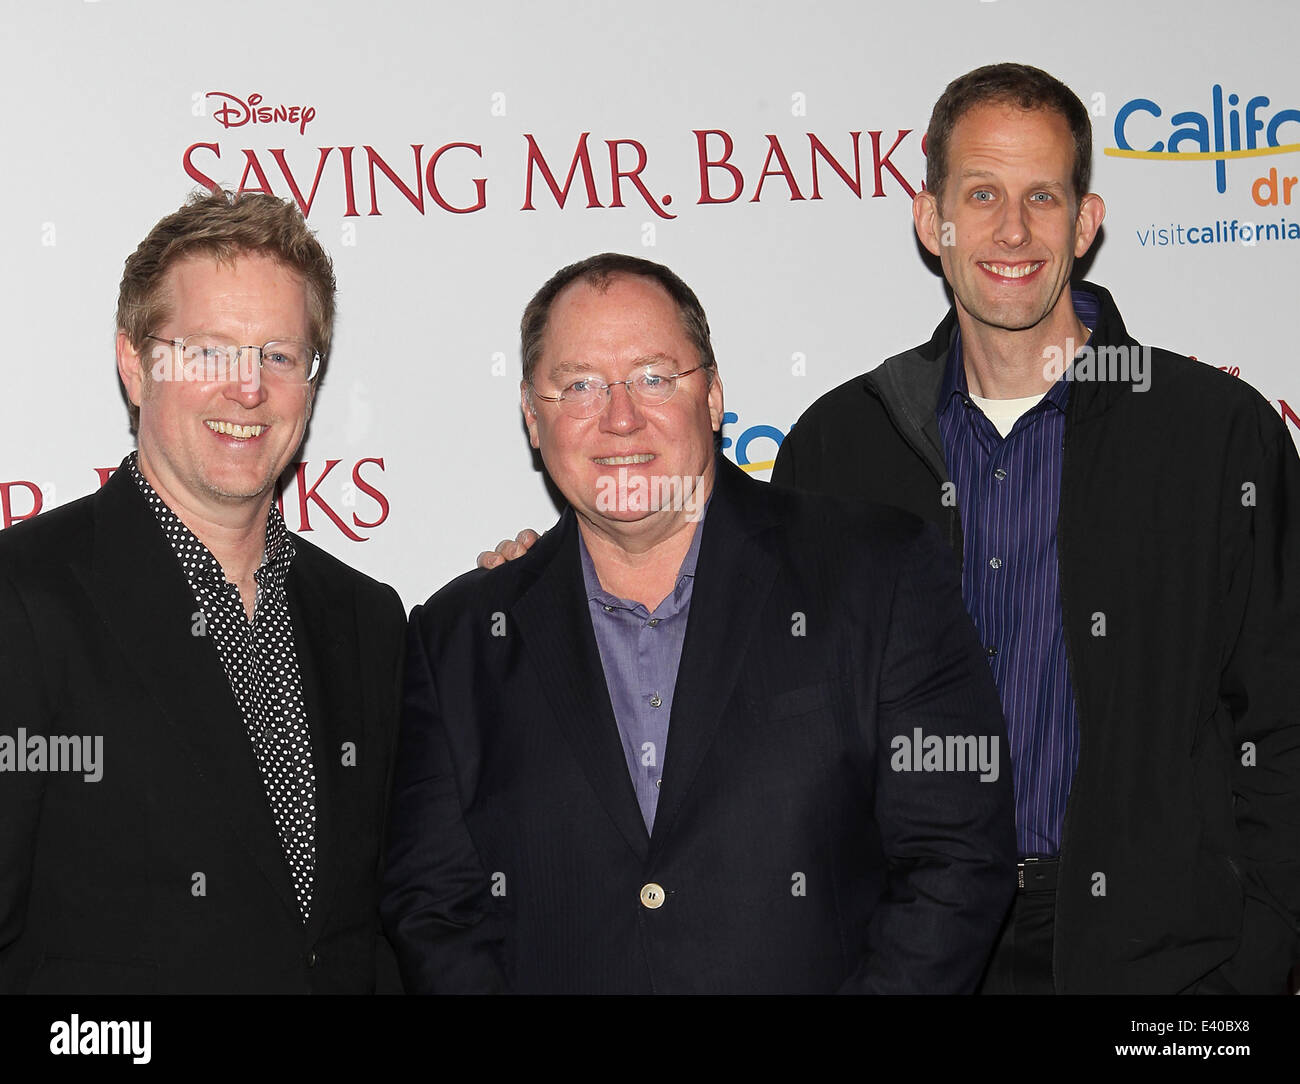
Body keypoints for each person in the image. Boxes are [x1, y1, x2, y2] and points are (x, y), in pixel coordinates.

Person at [771, 63, 1300, 993]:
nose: (1011, 231)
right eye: (980, 194)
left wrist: (1255, 955)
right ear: (929, 219)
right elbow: (780, 718)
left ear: (1084, 222)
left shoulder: (1216, 434)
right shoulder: (841, 445)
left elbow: (1285, 717)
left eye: (1040, 197)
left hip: (1166, 962)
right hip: (919, 956)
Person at [381, 252, 1015, 994]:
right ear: (532, 415)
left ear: (712, 397)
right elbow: (435, 908)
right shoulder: (458, 640)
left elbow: (957, 856)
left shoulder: (876, 573)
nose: (619, 417)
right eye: (578, 385)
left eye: (654, 376)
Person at [0, 189, 405, 993]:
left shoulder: (368, 620)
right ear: (135, 365)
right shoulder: (23, 599)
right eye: (209, 353)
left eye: (278, 356)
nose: (247, 390)